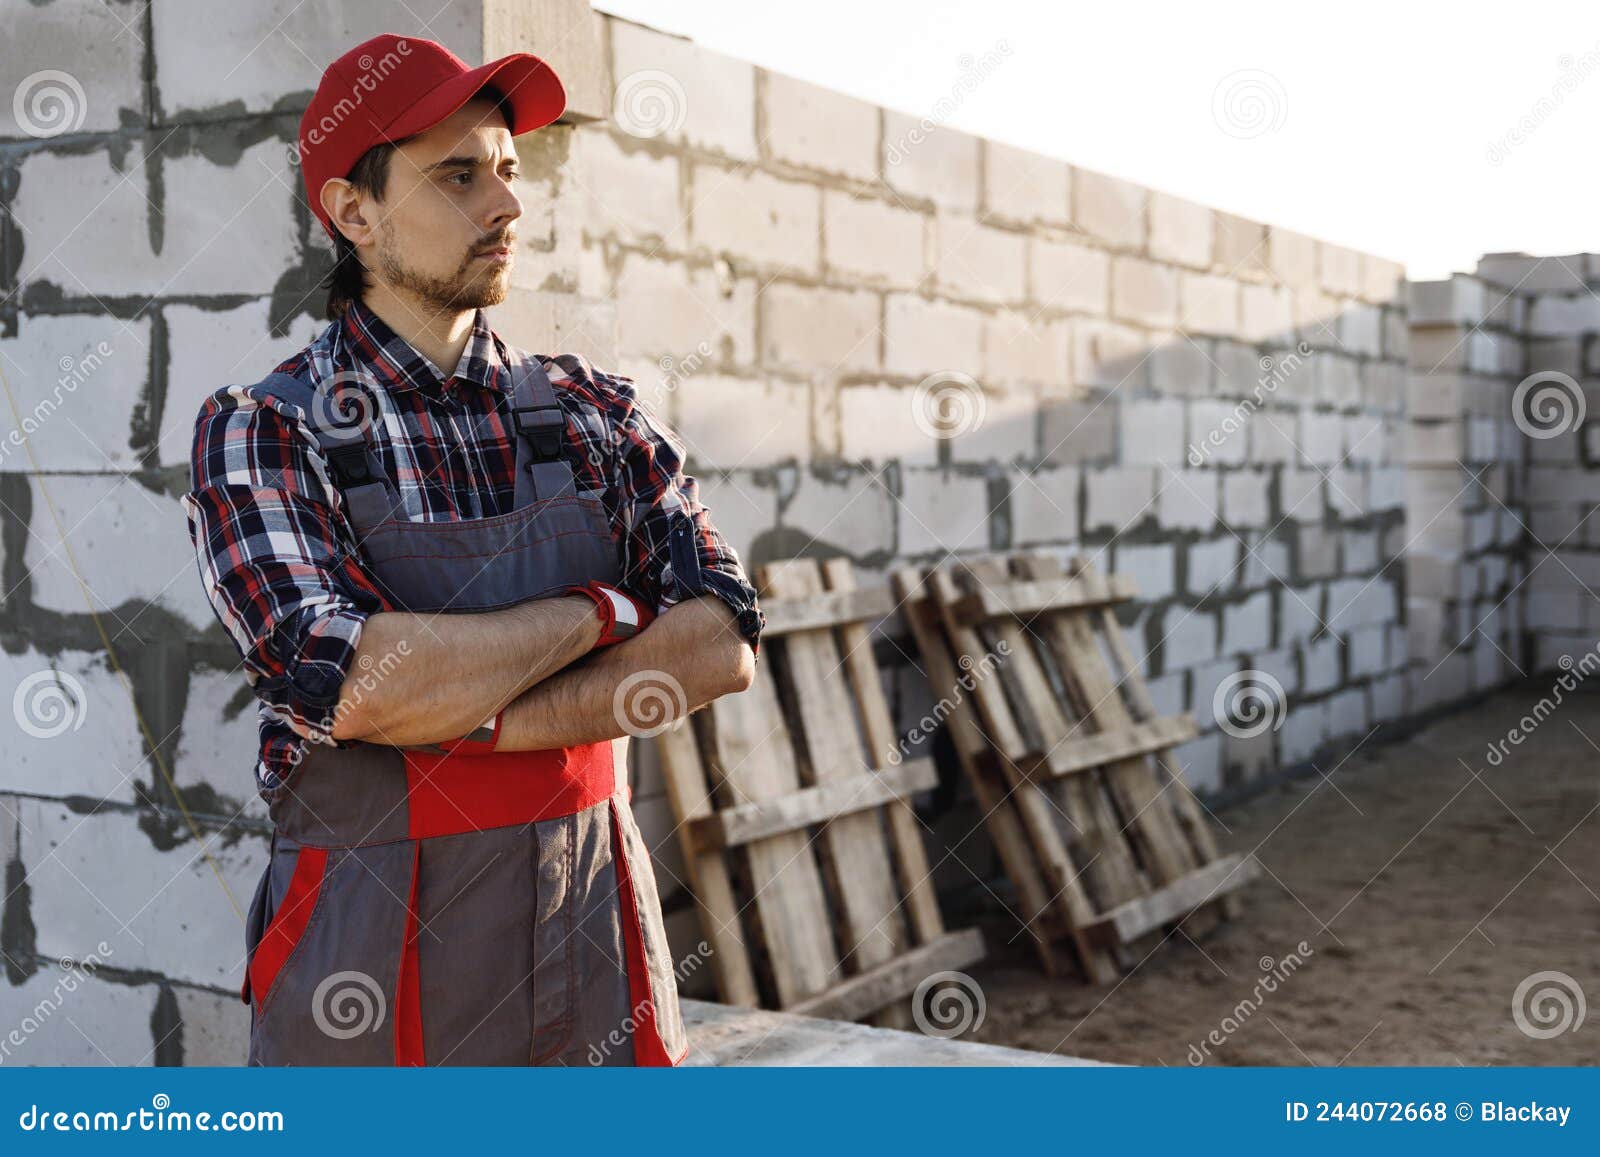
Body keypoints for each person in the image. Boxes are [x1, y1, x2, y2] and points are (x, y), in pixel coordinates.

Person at [182, 33, 764, 1066]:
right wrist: (599, 612)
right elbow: (358, 685)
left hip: (594, 937)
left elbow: (719, 641)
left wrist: (466, 716)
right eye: (457, 175)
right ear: (352, 213)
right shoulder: (266, 428)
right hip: (373, 954)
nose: (505, 205)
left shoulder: (594, 411)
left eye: (506, 169)